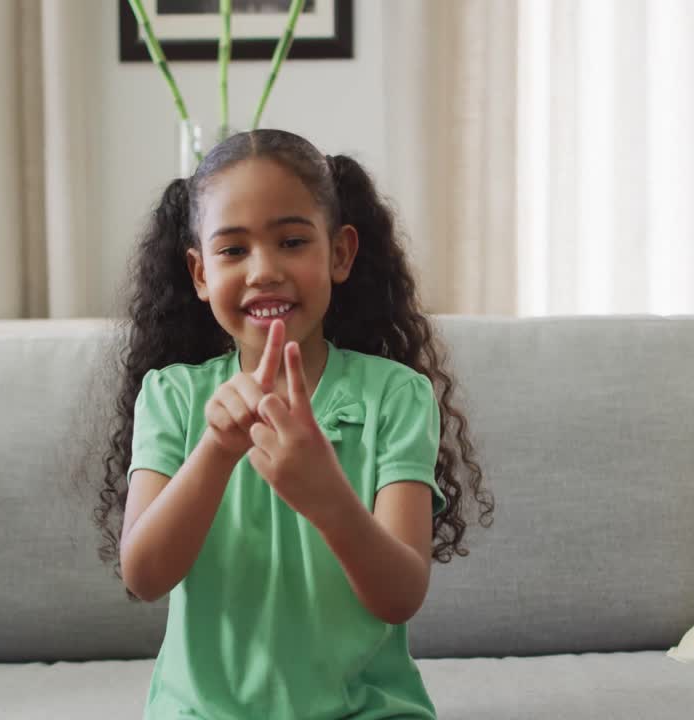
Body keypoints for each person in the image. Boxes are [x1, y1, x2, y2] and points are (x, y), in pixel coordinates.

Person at [96, 129, 493, 719]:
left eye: (291, 241)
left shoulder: (395, 396)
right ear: (200, 274)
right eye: (234, 250)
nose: (264, 270)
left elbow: (400, 596)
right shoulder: (172, 397)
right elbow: (145, 576)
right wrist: (216, 450)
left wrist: (327, 495)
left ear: (340, 254)